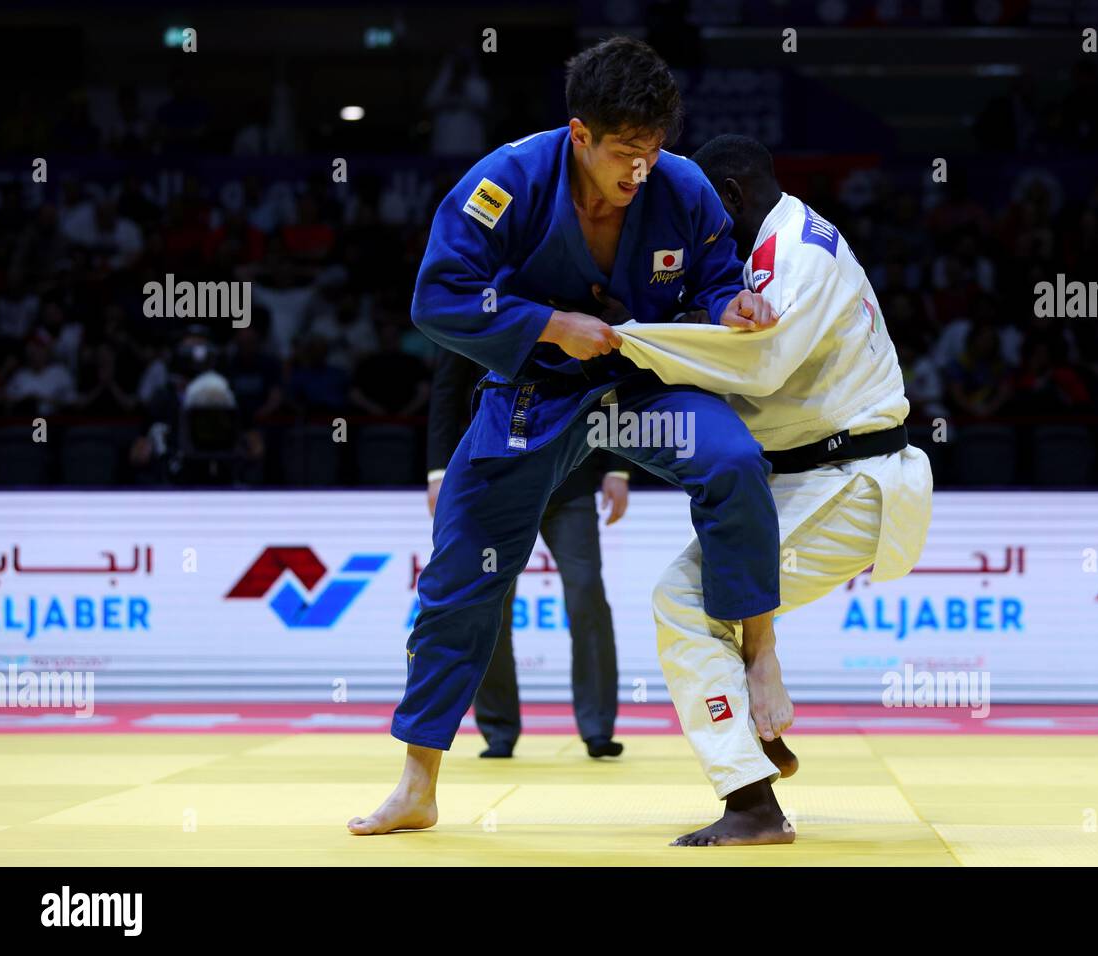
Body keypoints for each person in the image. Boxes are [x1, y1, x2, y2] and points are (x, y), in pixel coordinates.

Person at [348, 37, 781, 837]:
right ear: (579, 134)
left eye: (653, 150)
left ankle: (760, 660)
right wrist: (547, 325)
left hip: (640, 386)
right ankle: (418, 781)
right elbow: (438, 299)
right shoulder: (505, 183)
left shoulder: (683, 188)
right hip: (533, 399)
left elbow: (719, 276)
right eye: (624, 151)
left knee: (734, 460)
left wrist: (730, 308)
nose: (640, 168)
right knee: (460, 568)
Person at [614, 135, 934, 846]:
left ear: (727, 195)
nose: (697, 228)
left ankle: (751, 800)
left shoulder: (797, 251)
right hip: (812, 476)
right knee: (715, 590)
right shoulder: (773, 248)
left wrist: (627, 338)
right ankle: (762, 734)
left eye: (703, 209)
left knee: (685, 600)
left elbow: (759, 367)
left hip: (851, 480)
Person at [427, 348, 629, 758]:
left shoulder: (576, 298)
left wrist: (617, 467)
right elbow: (447, 391)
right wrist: (437, 472)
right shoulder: (487, 305)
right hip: (495, 479)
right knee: (491, 602)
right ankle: (499, 730)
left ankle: (596, 728)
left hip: (570, 482)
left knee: (586, 591)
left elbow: (608, 383)